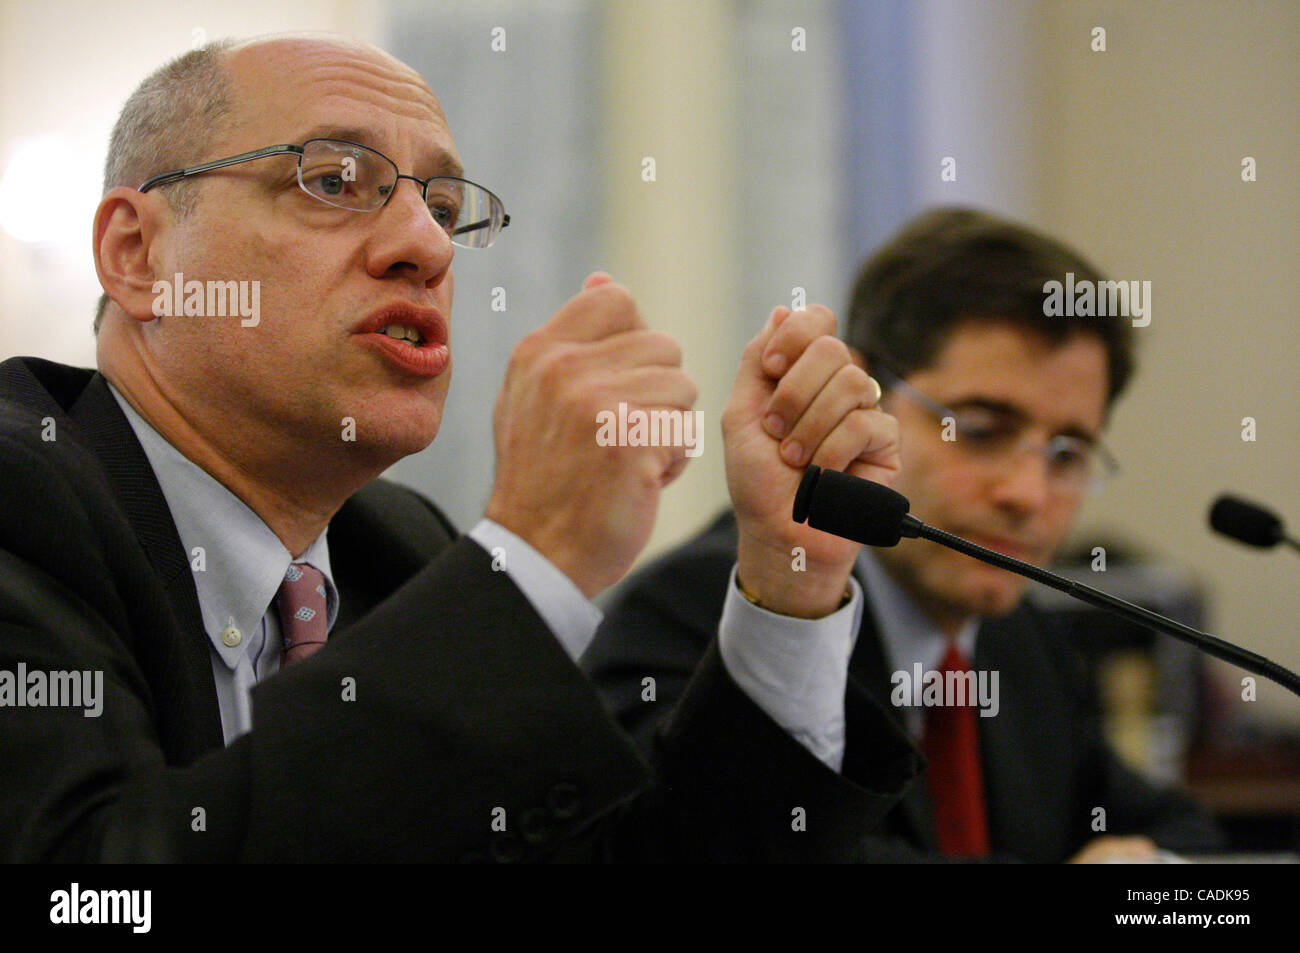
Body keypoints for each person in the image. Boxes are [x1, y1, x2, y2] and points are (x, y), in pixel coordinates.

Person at [0, 34, 919, 862]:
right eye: (333, 181)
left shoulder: (396, 553)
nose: (425, 247)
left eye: (443, 207)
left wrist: (789, 584)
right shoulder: (23, 496)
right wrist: (527, 561)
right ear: (138, 253)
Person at [582, 207, 1227, 863]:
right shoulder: (709, 607)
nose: (1027, 494)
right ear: (859, 401)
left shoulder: (1020, 636)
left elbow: (1179, 829)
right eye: (979, 429)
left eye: (1067, 453)